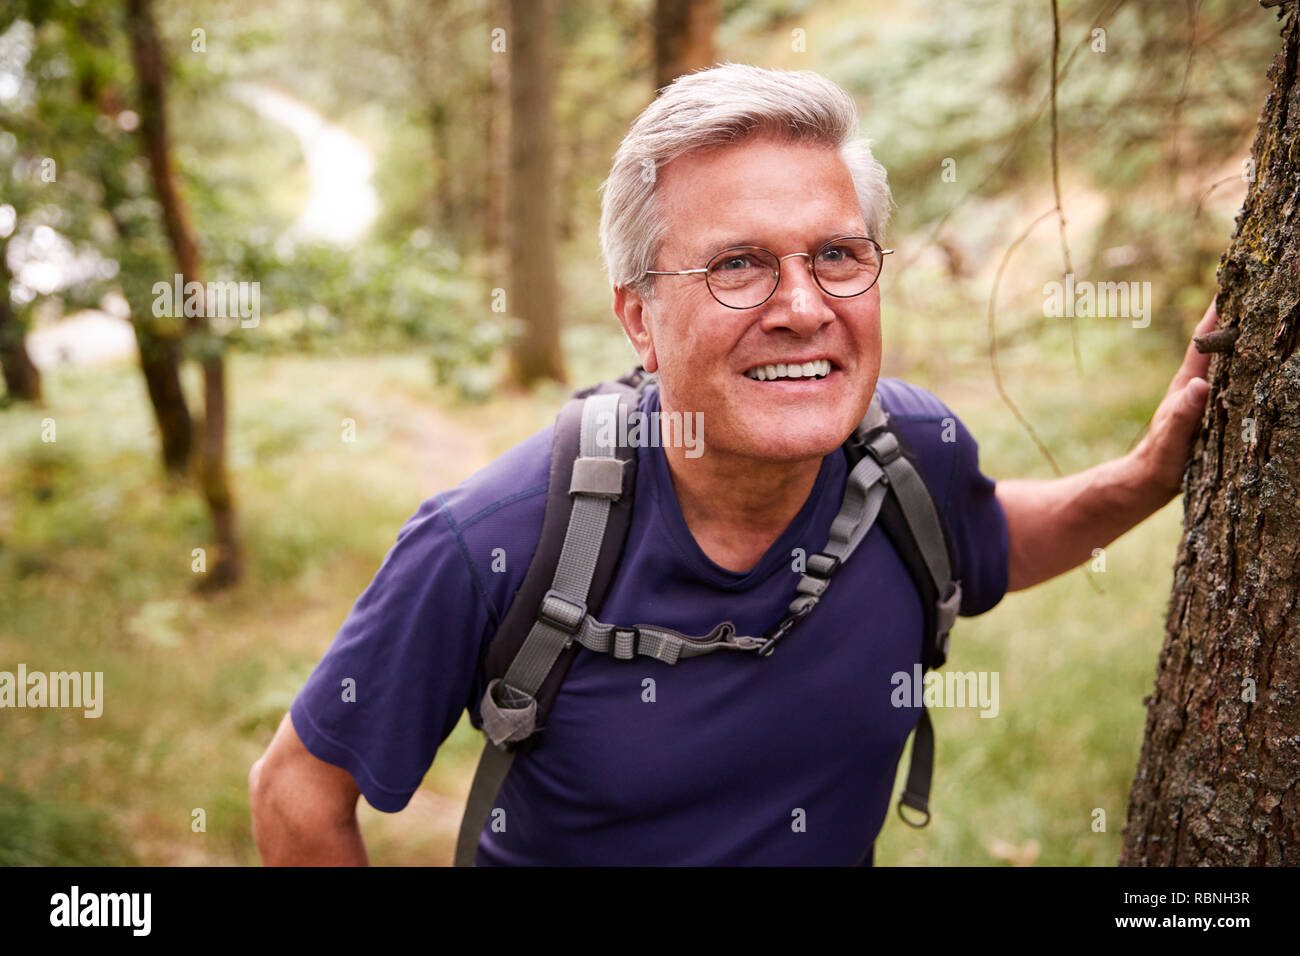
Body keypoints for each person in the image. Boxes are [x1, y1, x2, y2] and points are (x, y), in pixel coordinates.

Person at [248, 62, 1217, 866]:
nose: (802, 305)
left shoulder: (908, 460)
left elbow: (986, 535)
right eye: (738, 265)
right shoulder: (500, 539)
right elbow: (296, 788)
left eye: (837, 254)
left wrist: (1142, 477)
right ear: (639, 318)